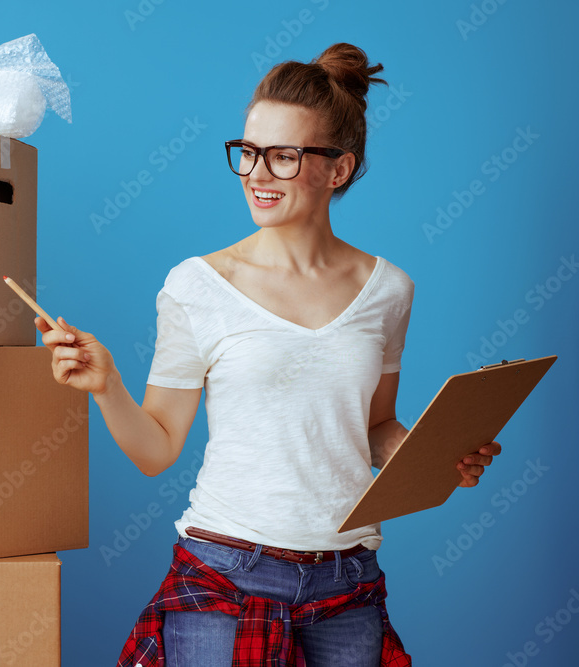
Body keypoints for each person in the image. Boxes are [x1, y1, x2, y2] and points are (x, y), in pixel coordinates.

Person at [37, 43, 501, 666]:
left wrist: (441, 456)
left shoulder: (389, 289)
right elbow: (157, 449)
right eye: (249, 153)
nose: (257, 174)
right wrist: (107, 384)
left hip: (349, 582)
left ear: (338, 169)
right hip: (227, 572)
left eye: (283, 157)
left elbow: (373, 428)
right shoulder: (196, 285)